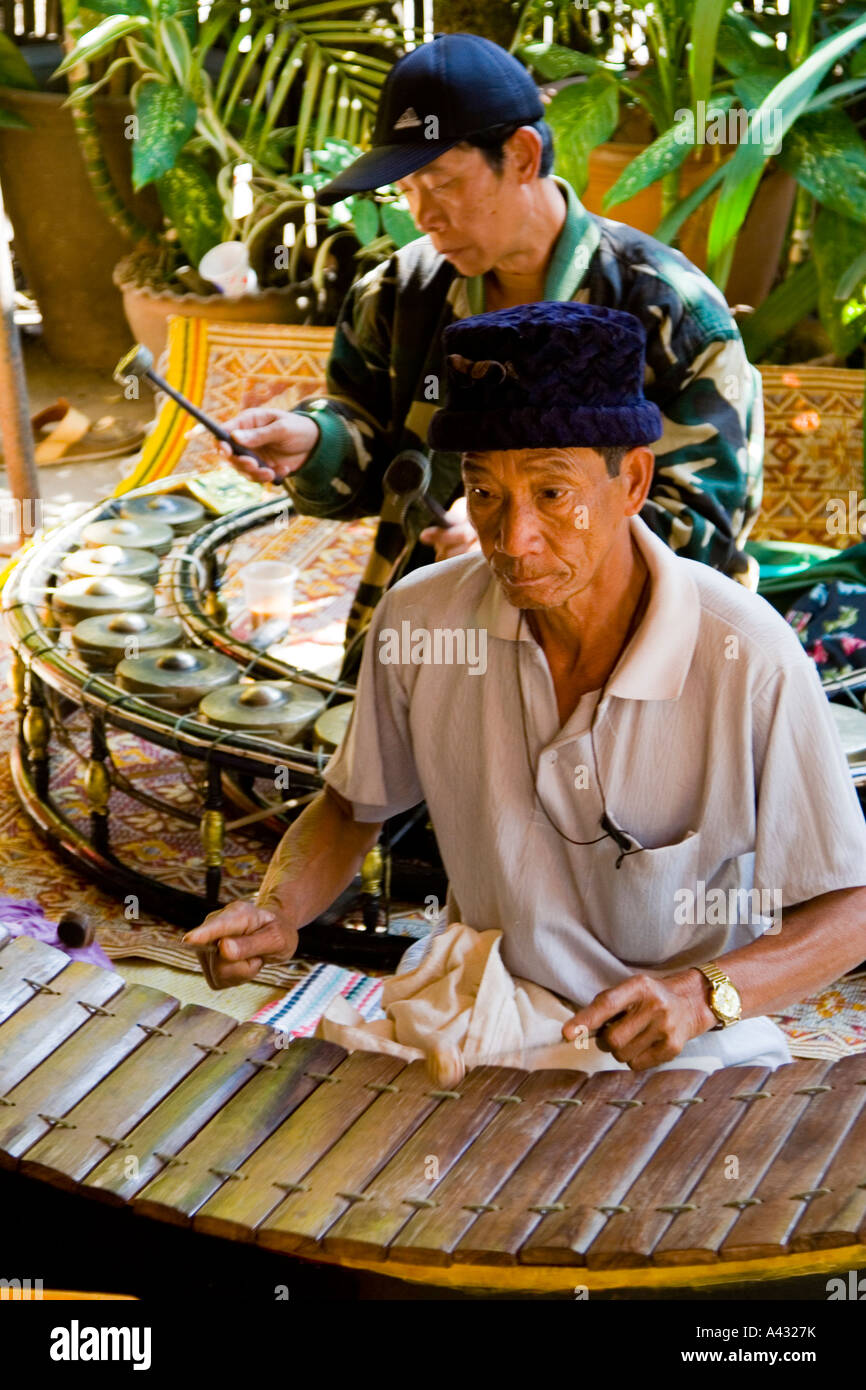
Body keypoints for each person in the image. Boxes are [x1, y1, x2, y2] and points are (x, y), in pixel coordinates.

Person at [186, 302, 866, 1074]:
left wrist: (705, 994)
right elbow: (350, 806)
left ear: (632, 479)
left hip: (678, 1050)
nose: (513, 541)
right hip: (484, 1013)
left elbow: (853, 909)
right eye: (485, 495)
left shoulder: (748, 655)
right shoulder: (419, 618)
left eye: (552, 494)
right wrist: (277, 912)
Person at [221, 31, 763, 599]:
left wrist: (527, 537)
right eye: (408, 190)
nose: (425, 215)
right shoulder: (396, 294)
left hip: (620, 643)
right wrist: (313, 442)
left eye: (444, 183)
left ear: (523, 157)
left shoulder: (668, 311)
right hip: (437, 620)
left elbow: (704, 532)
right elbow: (376, 457)